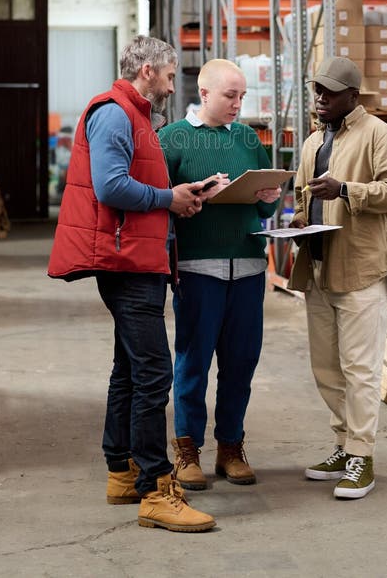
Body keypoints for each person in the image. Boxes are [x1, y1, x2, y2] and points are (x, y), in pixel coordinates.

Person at [48, 35, 216, 533]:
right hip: (126, 264)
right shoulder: (115, 114)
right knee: (154, 374)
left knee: (129, 370)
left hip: (139, 258)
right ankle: (155, 489)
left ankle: (121, 471)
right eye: (169, 75)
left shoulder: (138, 117)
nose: (172, 85)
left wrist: (179, 197)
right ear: (147, 71)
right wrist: (168, 198)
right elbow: (111, 186)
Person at [159, 58, 281, 490]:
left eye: (242, 96)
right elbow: (159, 203)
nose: (237, 103)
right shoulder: (172, 139)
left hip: (248, 266)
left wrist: (269, 196)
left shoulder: (247, 138)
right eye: (231, 95)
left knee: (241, 362)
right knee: (193, 361)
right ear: (205, 93)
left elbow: (265, 205)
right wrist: (194, 197)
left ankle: (230, 446)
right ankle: (187, 449)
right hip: (198, 268)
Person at [289, 56, 387, 500]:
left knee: (360, 370)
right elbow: (303, 199)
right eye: (317, 89)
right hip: (318, 268)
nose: (320, 98)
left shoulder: (379, 135)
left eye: (330, 91)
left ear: (353, 96)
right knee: (326, 368)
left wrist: (344, 189)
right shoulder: (312, 142)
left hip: (361, 269)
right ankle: (343, 444)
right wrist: (297, 222)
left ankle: (362, 455)